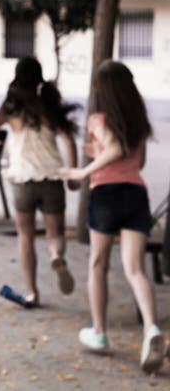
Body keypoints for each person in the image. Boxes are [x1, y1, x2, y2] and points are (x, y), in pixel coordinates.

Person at [60, 60, 164, 373]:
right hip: (135, 194)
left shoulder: (98, 119)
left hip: (106, 195)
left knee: (98, 263)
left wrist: (83, 170)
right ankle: (151, 328)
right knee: (135, 269)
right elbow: (136, 161)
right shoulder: (138, 121)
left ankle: (100, 333)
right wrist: (99, 154)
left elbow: (115, 149)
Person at [0, 57, 79, 308]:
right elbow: (69, 141)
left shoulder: (11, 109)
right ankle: (56, 256)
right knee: (55, 233)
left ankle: (31, 292)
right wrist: (72, 175)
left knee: (25, 236)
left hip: (22, 180)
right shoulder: (50, 106)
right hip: (52, 177)